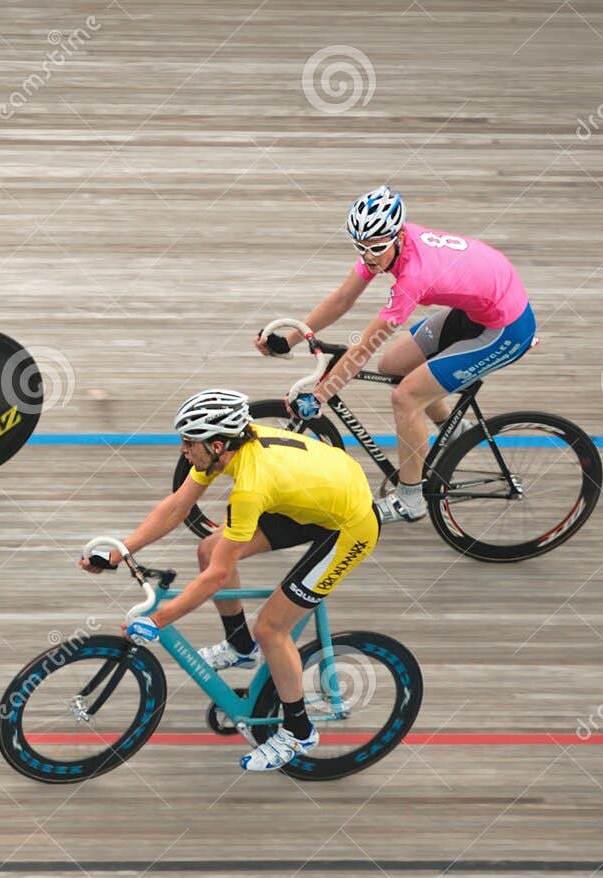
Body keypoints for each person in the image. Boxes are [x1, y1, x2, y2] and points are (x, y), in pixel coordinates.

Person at [82, 389, 380, 772]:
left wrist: (157, 621)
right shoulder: (228, 445)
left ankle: (298, 731)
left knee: (272, 629)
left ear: (217, 444)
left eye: (189, 442)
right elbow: (178, 506)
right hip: (313, 498)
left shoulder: (250, 489)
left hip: (349, 527)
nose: (183, 449)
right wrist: (122, 549)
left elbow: (219, 576)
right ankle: (240, 646)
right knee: (209, 548)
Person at [259, 185, 535, 523]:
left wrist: (319, 395)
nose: (369, 257)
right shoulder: (388, 244)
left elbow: (364, 346)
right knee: (393, 366)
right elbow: (343, 298)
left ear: (397, 235)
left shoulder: (413, 277)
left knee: (406, 398)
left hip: (506, 328)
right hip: (476, 309)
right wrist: (289, 341)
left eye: (375, 248)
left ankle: (411, 499)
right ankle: (454, 430)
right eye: (361, 248)